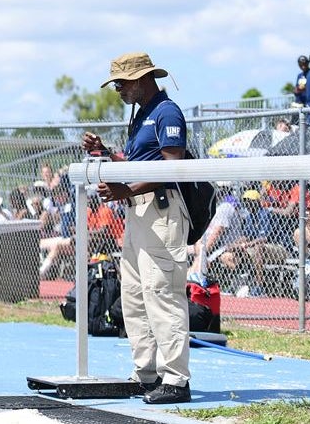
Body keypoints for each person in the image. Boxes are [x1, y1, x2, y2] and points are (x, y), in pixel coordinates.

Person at [81, 52, 191, 404]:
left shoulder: (166, 112)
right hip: (137, 213)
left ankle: (176, 380)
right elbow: (138, 164)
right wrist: (107, 155)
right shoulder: (141, 115)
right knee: (134, 294)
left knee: (161, 292)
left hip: (162, 213)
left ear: (143, 78)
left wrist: (125, 189)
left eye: (121, 82)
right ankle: (147, 373)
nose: (117, 89)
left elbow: (172, 169)